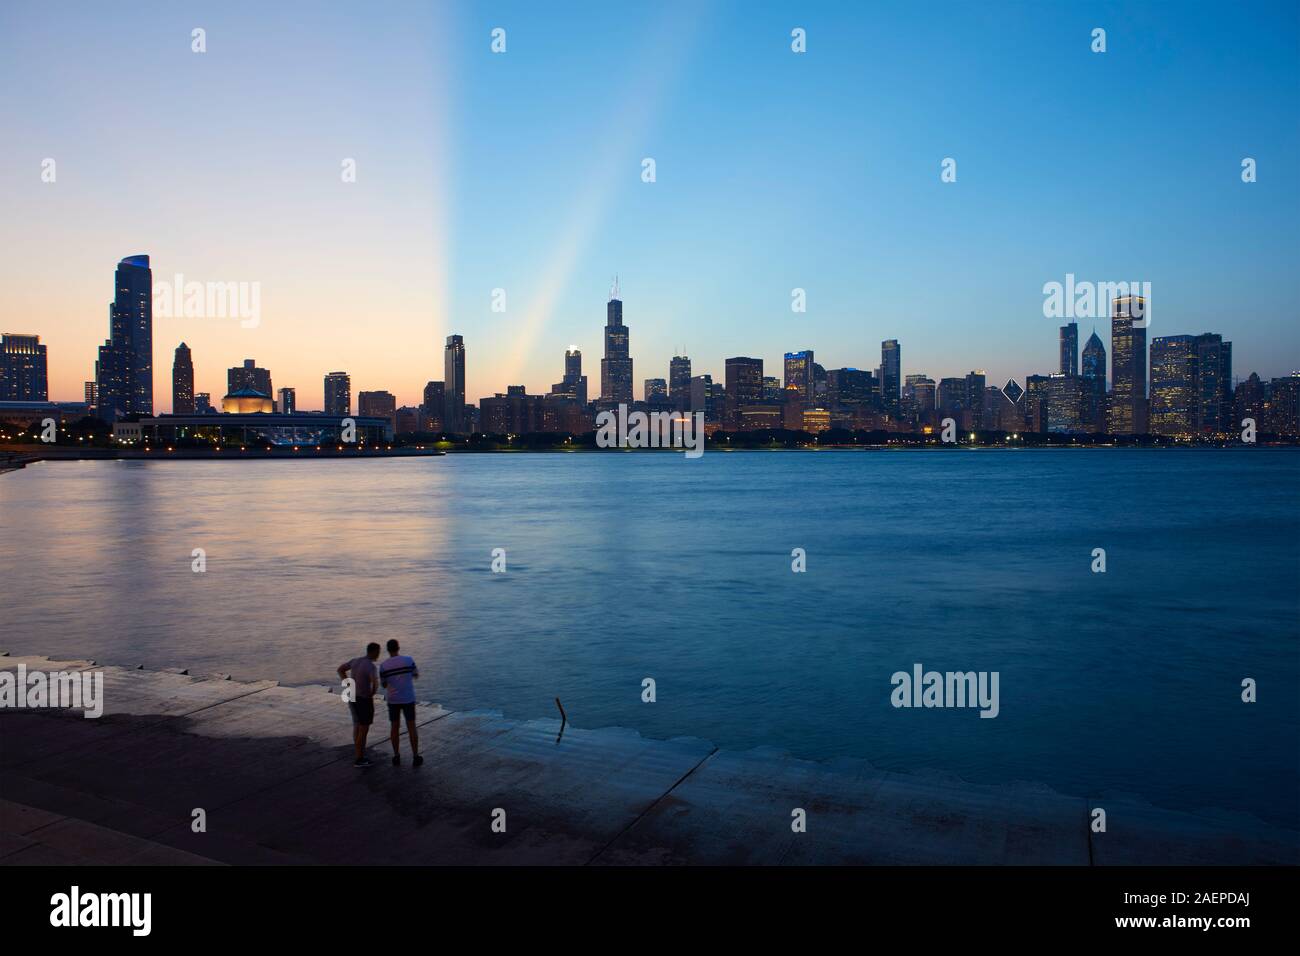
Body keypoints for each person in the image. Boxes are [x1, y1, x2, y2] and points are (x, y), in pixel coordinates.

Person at [380, 639, 422, 766]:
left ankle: (396, 756)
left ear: (388, 650)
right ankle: (415, 756)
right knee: (411, 727)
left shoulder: (383, 665)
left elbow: (384, 684)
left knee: (394, 727)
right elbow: (416, 675)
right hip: (408, 698)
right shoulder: (409, 660)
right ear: (398, 648)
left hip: (393, 700)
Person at [338, 643, 380, 768]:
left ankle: (358, 754)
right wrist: (371, 694)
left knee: (357, 726)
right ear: (373, 652)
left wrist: (348, 684)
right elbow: (375, 683)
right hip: (363, 699)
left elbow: (340, 669)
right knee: (364, 729)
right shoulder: (371, 666)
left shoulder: (355, 661)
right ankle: (360, 758)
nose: (378, 654)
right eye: (378, 652)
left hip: (352, 696)